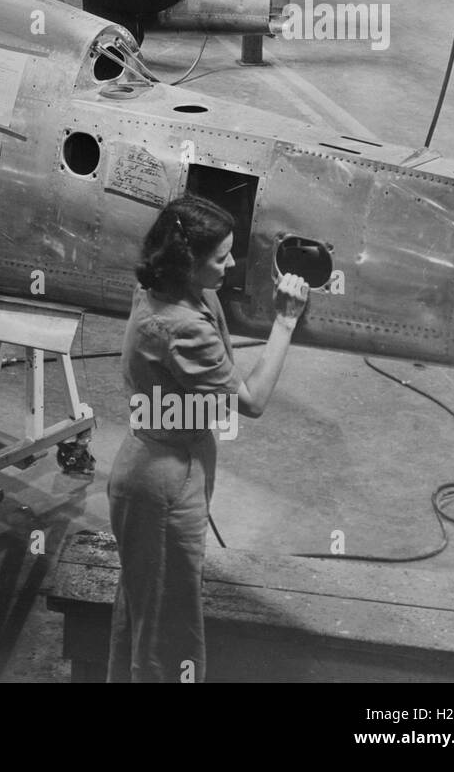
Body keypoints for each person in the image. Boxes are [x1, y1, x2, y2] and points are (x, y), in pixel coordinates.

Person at [107, 195, 310, 683]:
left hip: (160, 462)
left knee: (148, 609)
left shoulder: (169, 289)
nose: (233, 264)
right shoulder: (182, 327)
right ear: (187, 262)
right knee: (168, 634)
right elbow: (253, 400)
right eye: (221, 258)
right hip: (164, 481)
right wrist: (285, 320)